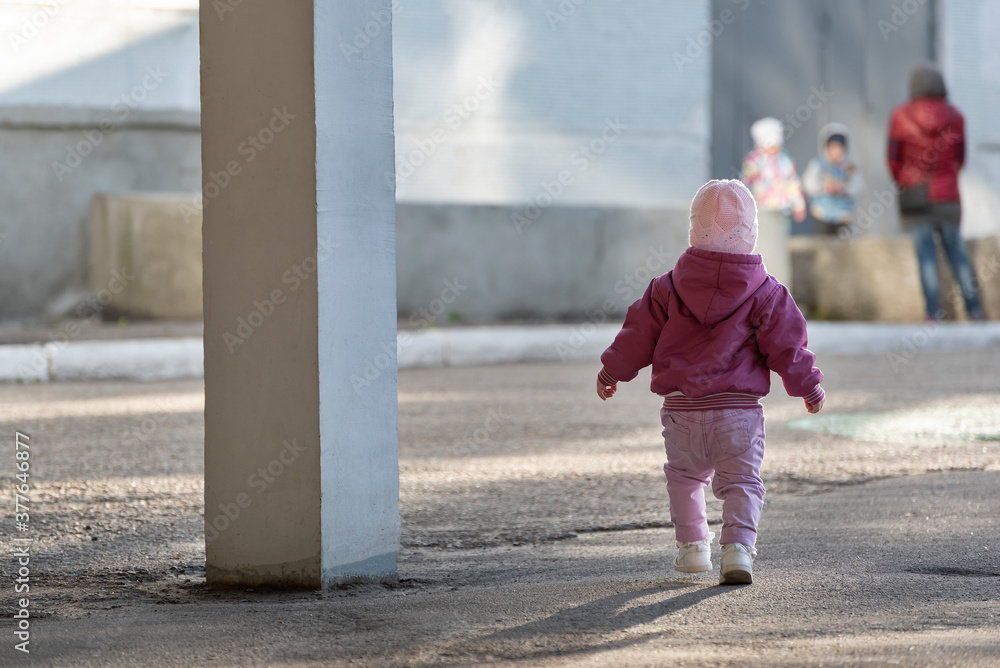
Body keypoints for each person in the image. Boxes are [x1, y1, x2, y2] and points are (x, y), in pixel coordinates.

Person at [595, 179, 825, 585]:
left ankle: (692, 548)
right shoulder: (767, 293)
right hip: (738, 413)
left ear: (693, 232)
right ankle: (737, 549)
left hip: (682, 411)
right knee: (741, 483)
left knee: (683, 479)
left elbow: (636, 336)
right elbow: (788, 346)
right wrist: (808, 385)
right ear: (751, 234)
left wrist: (612, 371)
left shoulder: (665, 289)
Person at [888, 64, 984, 321]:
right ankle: (975, 311)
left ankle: (933, 315)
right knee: (957, 253)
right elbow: (960, 157)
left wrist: (906, 181)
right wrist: (947, 179)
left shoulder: (900, 116)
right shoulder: (956, 116)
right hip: (948, 197)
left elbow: (893, 159)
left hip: (915, 196)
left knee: (926, 257)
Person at [802, 122, 864, 237]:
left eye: (839, 148)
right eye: (832, 148)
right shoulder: (818, 165)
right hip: (822, 213)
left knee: (842, 244)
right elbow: (808, 183)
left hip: (843, 214)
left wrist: (845, 189)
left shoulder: (849, 168)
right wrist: (823, 187)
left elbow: (858, 186)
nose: (835, 152)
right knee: (824, 242)